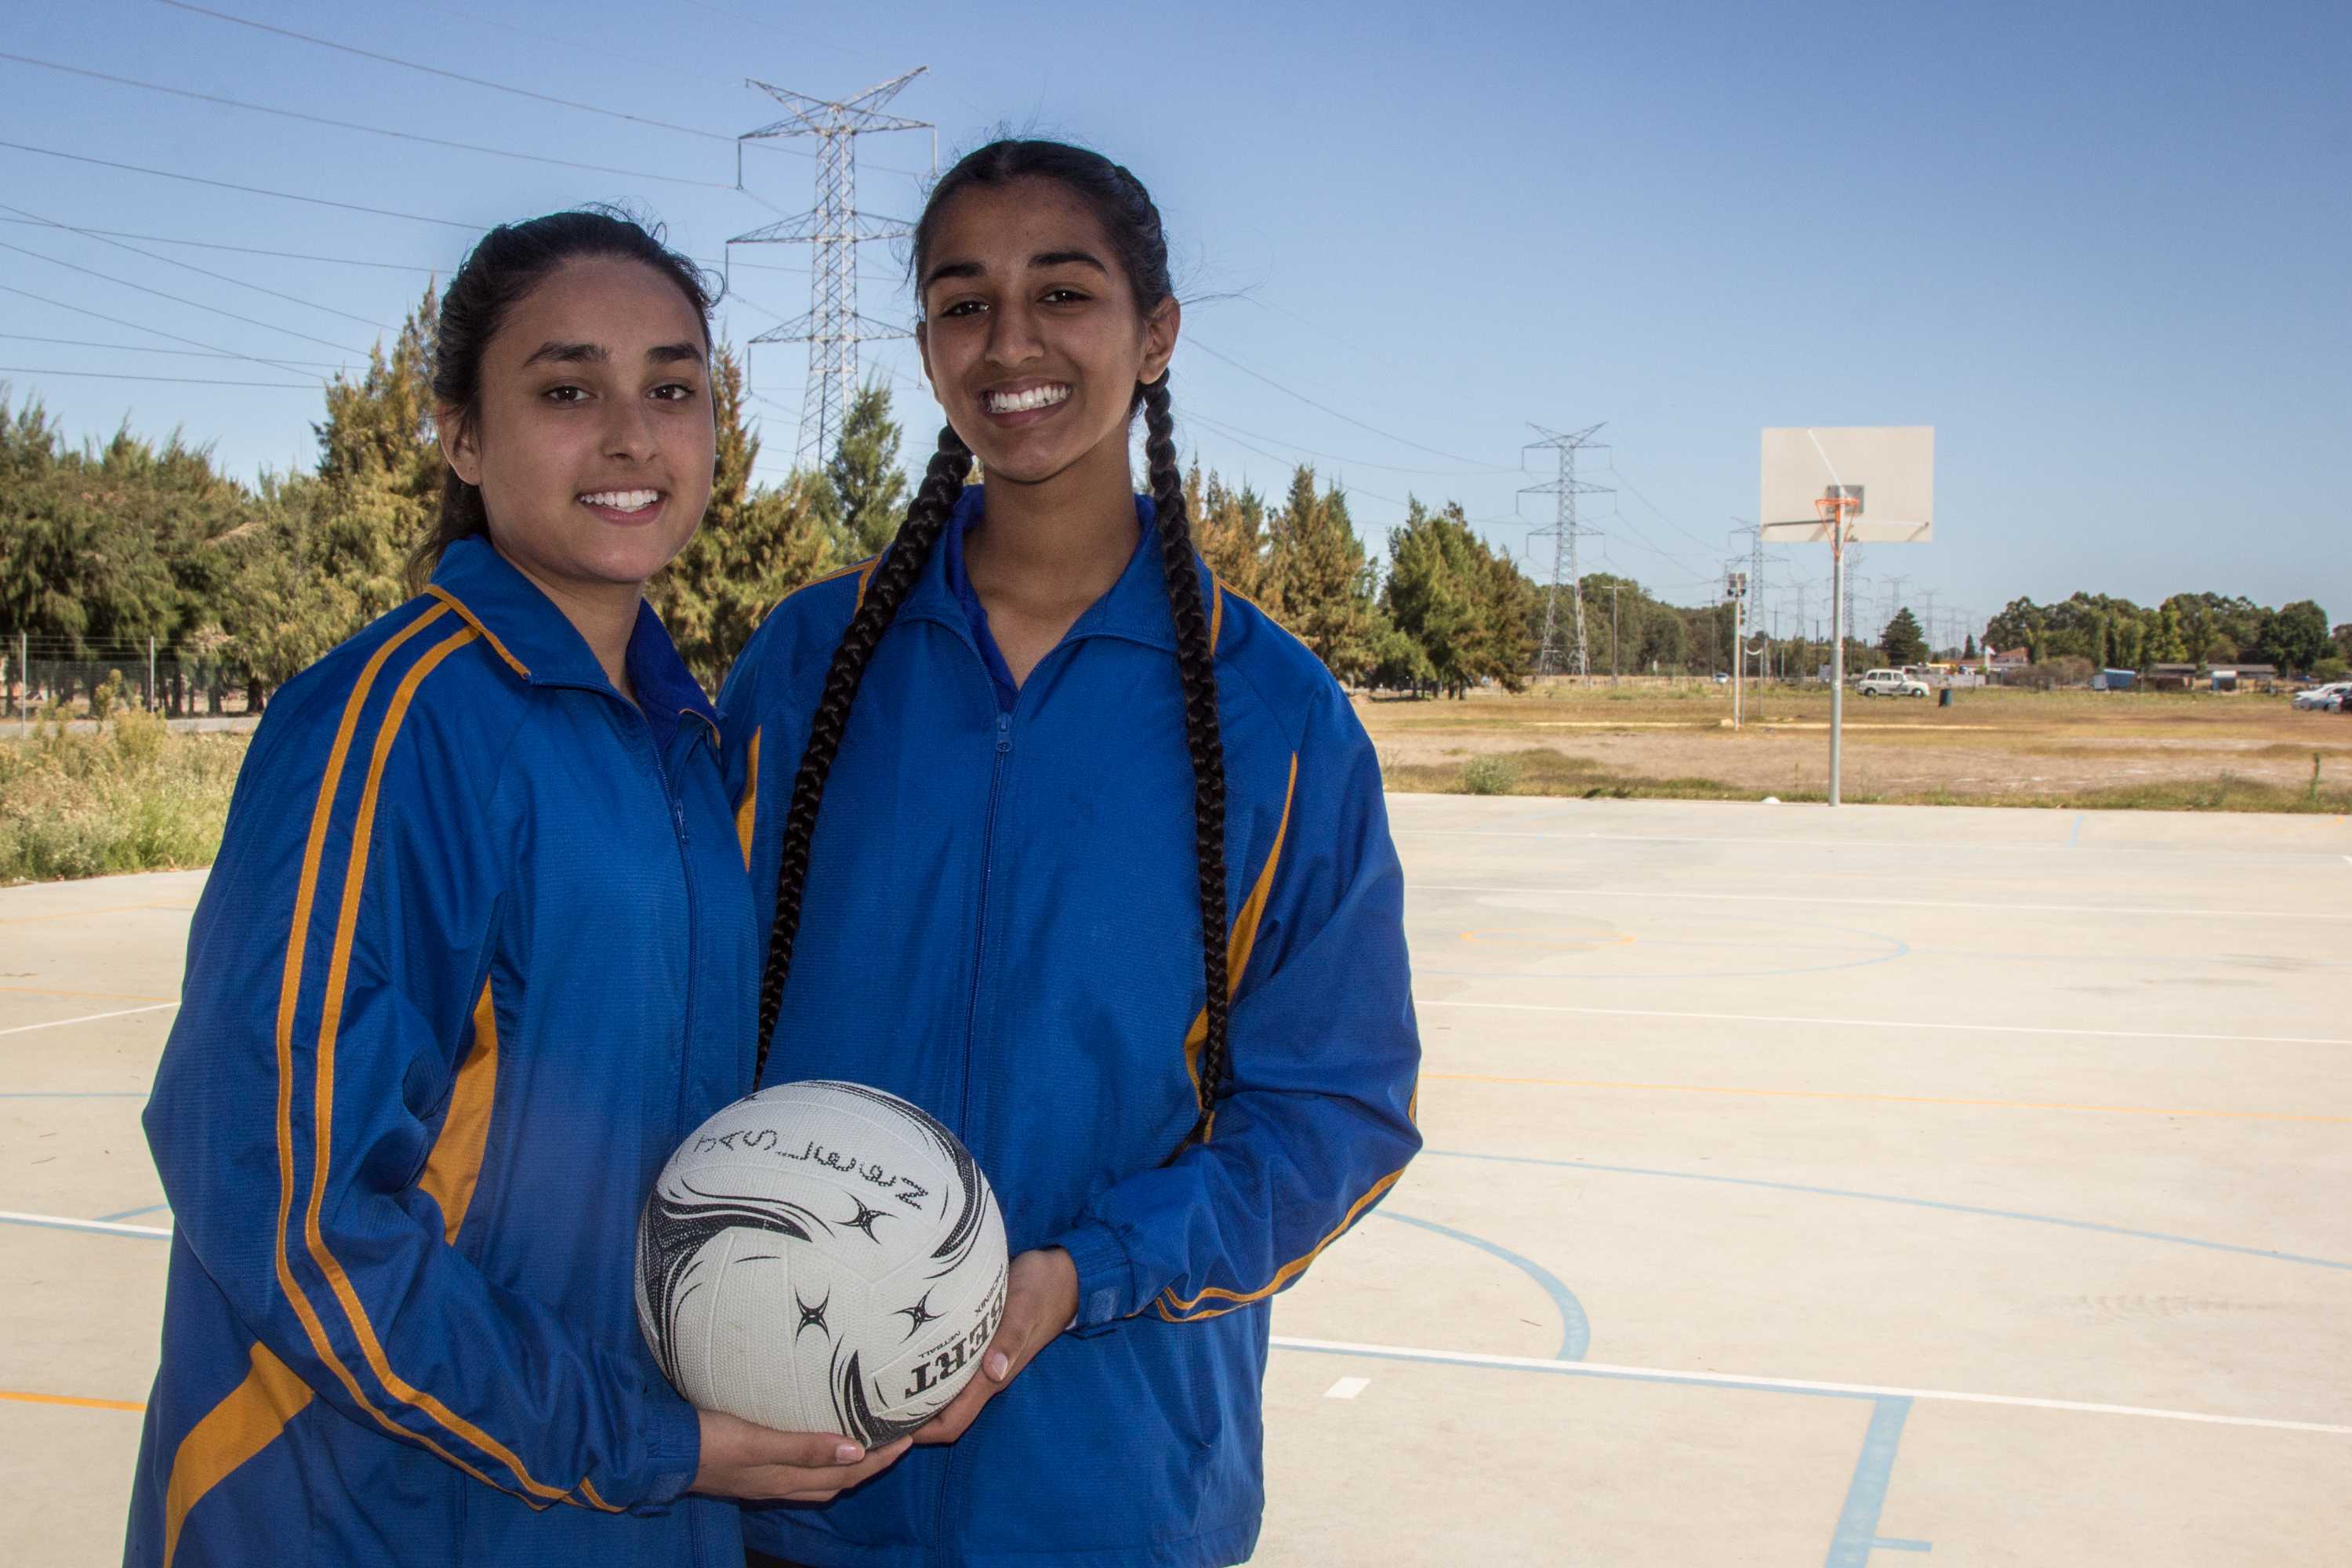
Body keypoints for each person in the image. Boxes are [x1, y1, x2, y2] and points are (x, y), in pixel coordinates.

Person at [125, 209, 906, 1568]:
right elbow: (293, 1214)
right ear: (463, 437)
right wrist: (644, 1442)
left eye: (672, 387)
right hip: (371, 1516)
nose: (629, 434)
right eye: (566, 389)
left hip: (633, 1515)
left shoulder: (682, 744)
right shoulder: (395, 722)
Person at [721, 141, 1422, 1568]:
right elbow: (683, 1022)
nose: (1013, 342)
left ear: (1155, 334)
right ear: (925, 347)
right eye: (963, 302)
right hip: (793, 1479)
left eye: (1066, 293)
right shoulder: (809, 663)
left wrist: (1088, 1272)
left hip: (1115, 1491)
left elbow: (1339, 1110)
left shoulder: (1279, 716)